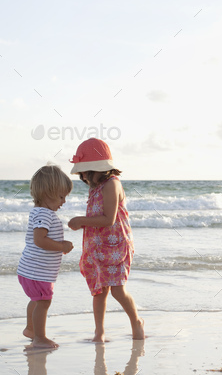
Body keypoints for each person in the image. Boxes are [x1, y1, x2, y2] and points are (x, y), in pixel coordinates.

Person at [68, 138, 144, 341]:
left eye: (84, 171)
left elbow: (109, 220)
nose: (82, 175)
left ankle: (136, 321)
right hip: (98, 246)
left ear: (98, 168)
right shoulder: (95, 187)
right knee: (99, 291)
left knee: (118, 290)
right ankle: (99, 332)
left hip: (116, 246)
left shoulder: (112, 184)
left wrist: (80, 221)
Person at [17, 164, 74, 348]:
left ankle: (31, 329)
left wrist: (58, 247)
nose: (63, 201)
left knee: (37, 300)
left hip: (30, 271)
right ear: (48, 193)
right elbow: (39, 240)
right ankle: (40, 338)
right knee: (44, 301)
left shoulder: (38, 212)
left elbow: (42, 240)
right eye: (61, 196)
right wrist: (62, 246)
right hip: (36, 272)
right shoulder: (45, 214)